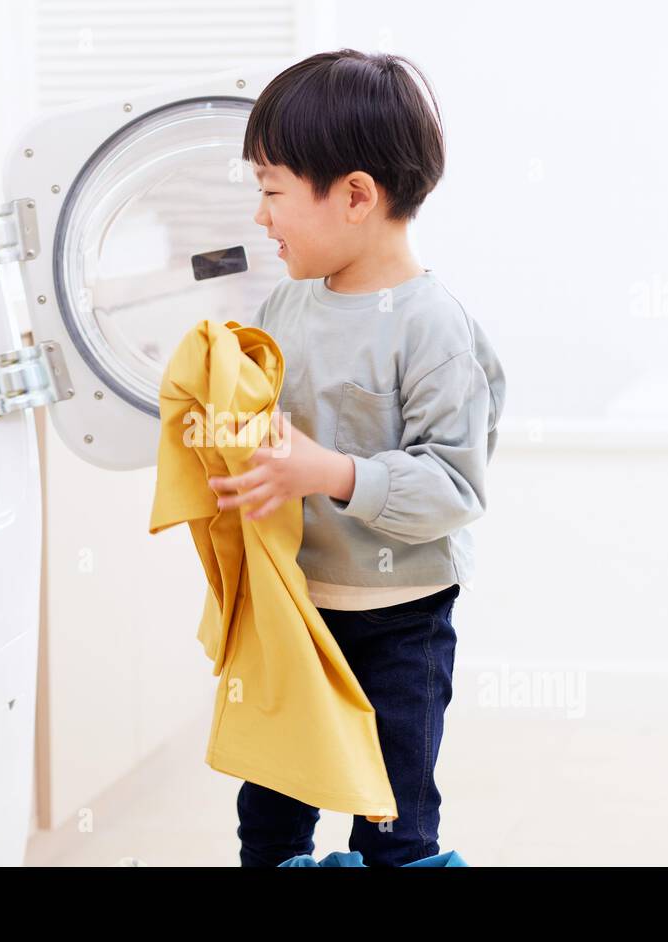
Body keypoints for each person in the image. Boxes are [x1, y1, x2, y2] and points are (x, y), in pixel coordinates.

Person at [207, 48, 508, 867]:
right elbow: (263, 428)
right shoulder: (287, 303)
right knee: (269, 808)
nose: (261, 217)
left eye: (271, 190)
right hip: (298, 609)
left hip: (403, 618)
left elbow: (455, 485)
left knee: (394, 819)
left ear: (355, 196)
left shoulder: (432, 328)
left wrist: (334, 473)